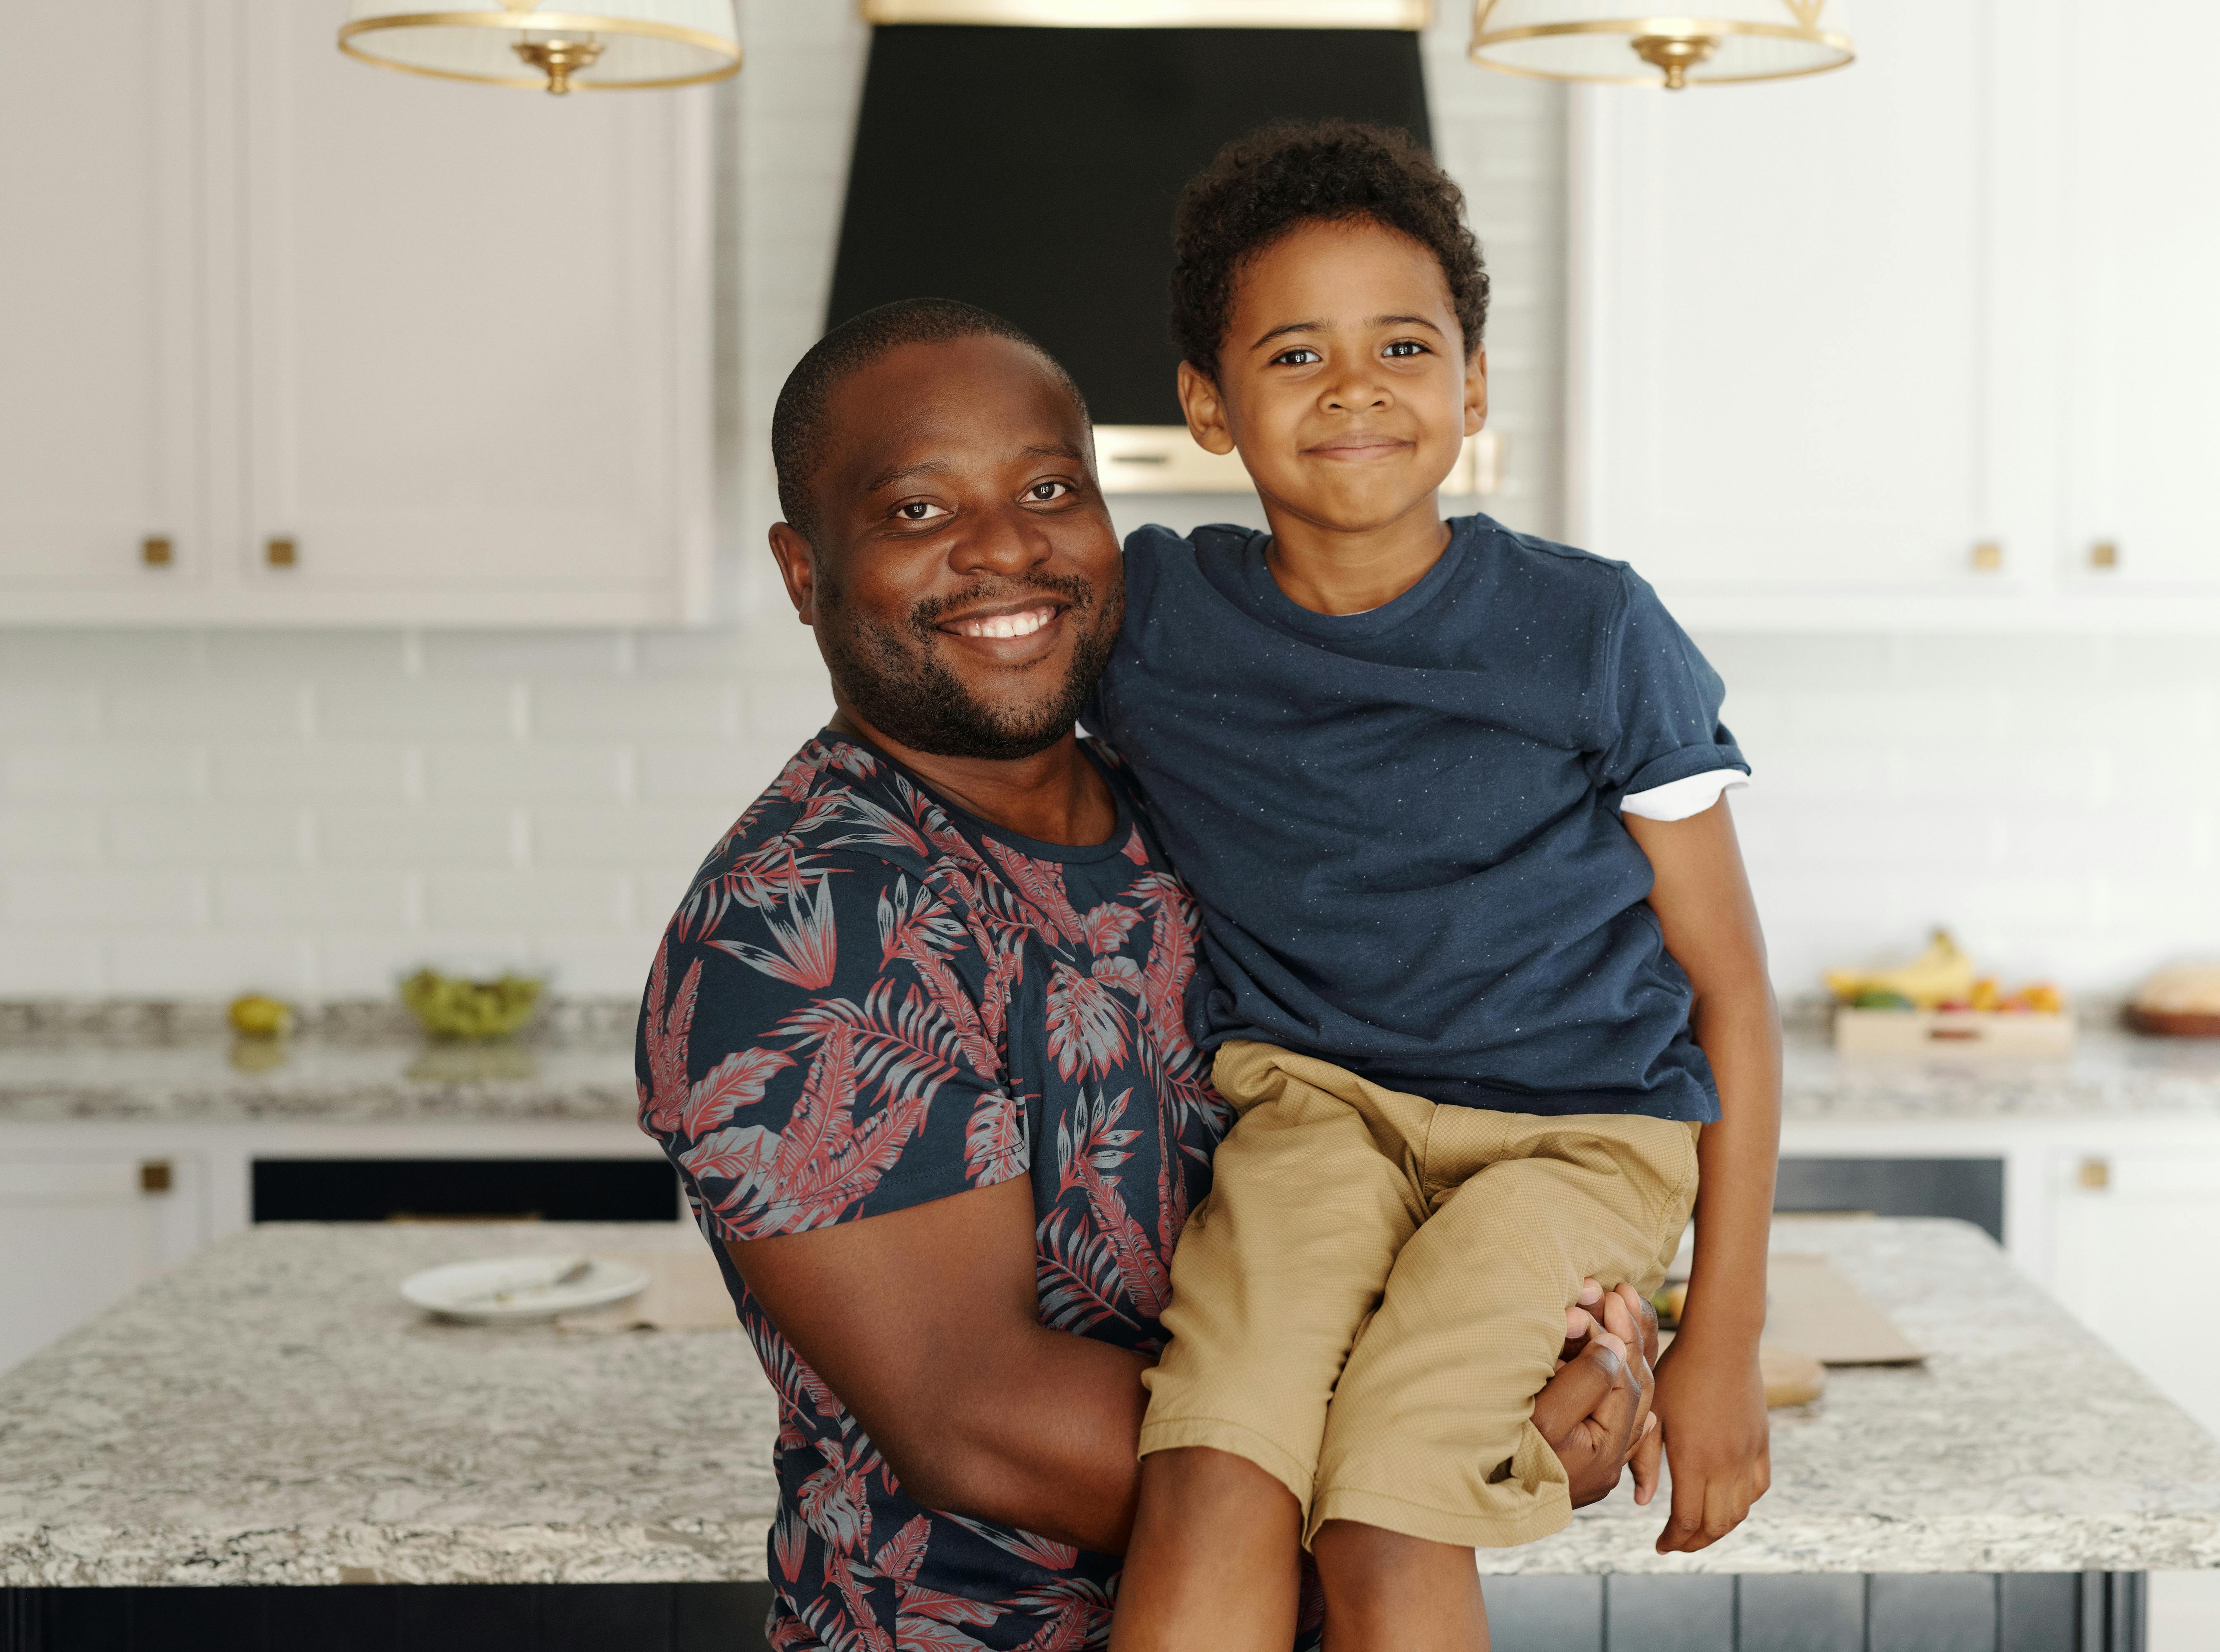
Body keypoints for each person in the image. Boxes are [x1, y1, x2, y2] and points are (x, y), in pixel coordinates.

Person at [637, 297, 1673, 1651]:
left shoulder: (1195, 805)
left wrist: (1594, 1323)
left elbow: (1447, 1114)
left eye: (1050, 488)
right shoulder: (798, 929)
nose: (1005, 547)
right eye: (915, 512)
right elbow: (980, 1419)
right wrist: (1459, 1455)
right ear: (800, 569)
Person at [1093, 123, 1785, 1652]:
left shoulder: (1594, 631)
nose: (1355, 388)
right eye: (1293, 353)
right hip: (1310, 1114)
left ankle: (1532, 1423)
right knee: (1214, 1467)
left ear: (1473, 388)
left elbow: (1731, 989)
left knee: (1393, 1501)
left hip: (1581, 1135)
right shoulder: (1153, 623)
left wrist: (1721, 1329)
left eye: (1405, 344)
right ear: (1208, 406)